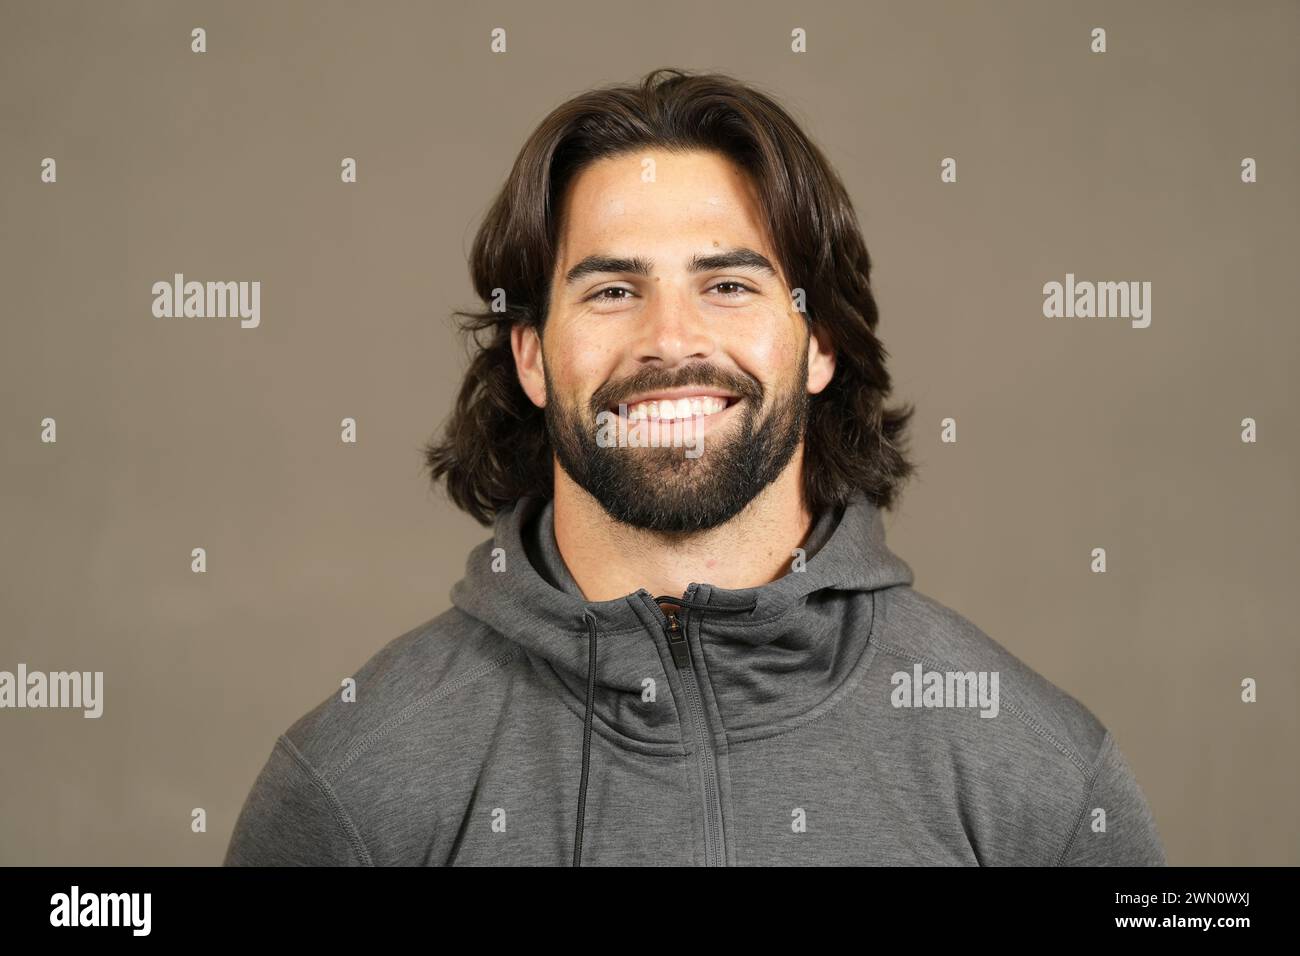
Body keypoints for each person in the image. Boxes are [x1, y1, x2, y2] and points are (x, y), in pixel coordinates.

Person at [224, 68, 1165, 866]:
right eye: (612, 289)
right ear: (531, 357)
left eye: (727, 285)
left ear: (823, 341)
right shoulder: (353, 785)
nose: (669, 339)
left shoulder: (1039, 774)